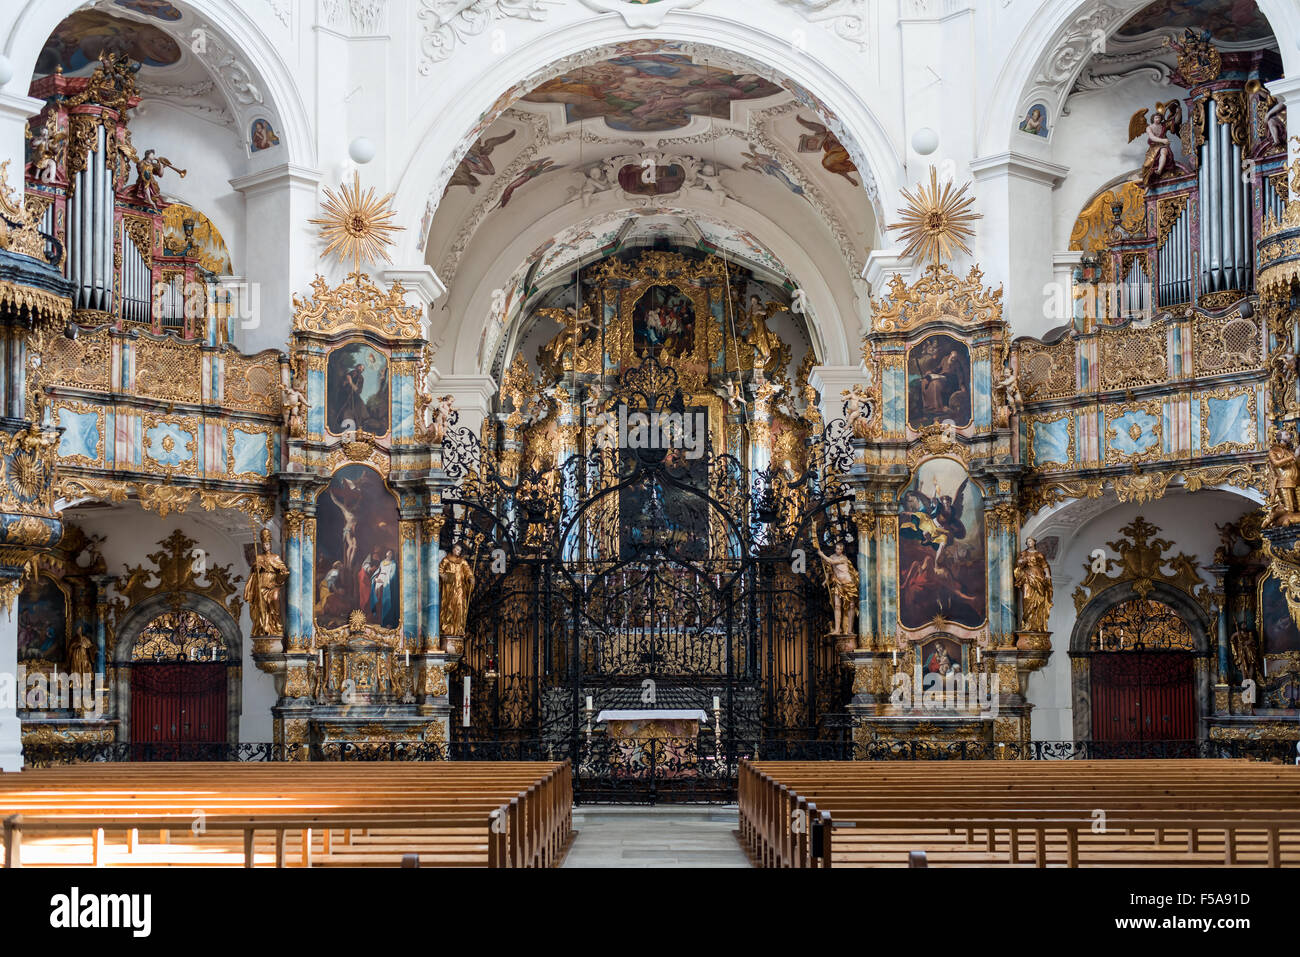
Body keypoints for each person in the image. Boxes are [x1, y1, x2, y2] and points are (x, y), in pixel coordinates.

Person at [244, 528, 289, 637]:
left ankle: (276, 624)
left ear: (270, 545)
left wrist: (280, 570)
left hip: (273, 583)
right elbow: (254, 570)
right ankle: (264, 627)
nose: (265, 546)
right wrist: (257, 567)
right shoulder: (259, 557)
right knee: (261, 607)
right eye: (264, 544)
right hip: (261, 584)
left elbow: (282, 567)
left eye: (267, 544)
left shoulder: (275, 557)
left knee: (275, 600)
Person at [815, 540, 859, 636]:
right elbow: (829, 570)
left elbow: (832, 562)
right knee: (837, 606)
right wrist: (825, 581)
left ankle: (850, 630)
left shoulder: (844, 558)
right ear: (835, 549)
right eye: (837, 549)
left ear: (842, 550)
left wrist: (821, 554)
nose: (839, 551)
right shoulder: (831, 557)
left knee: (851, 606)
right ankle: (837, 629)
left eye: (841, 549)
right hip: (838, 584)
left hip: (849, 584)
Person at [1013, 537, 1053, 633]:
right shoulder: (1024, 553)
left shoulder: (1039, 554)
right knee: (1027, 598)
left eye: (1031, 541)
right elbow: (1018, 564)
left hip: (1038, 576)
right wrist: (1021, 562)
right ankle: (1027, 623)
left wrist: (1047, 575)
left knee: (1039, 600)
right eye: (1027, 542)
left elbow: (1045, 565)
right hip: (1027, 576)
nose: (1029, 543)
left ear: (1035, 542)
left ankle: (1036, 625)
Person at [439, 543, 475, 638]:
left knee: (459, 606)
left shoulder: (462, 562)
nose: (457, 551)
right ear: (453, 549)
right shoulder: (446, 560)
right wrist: (443, 576)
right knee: (449, 607)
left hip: (460, 588)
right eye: (456, 549)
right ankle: (447, 628)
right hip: (449, 589)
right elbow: (440, 570)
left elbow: (468, 571)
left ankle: (458, 628)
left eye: (459, 550)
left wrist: (471, 577)